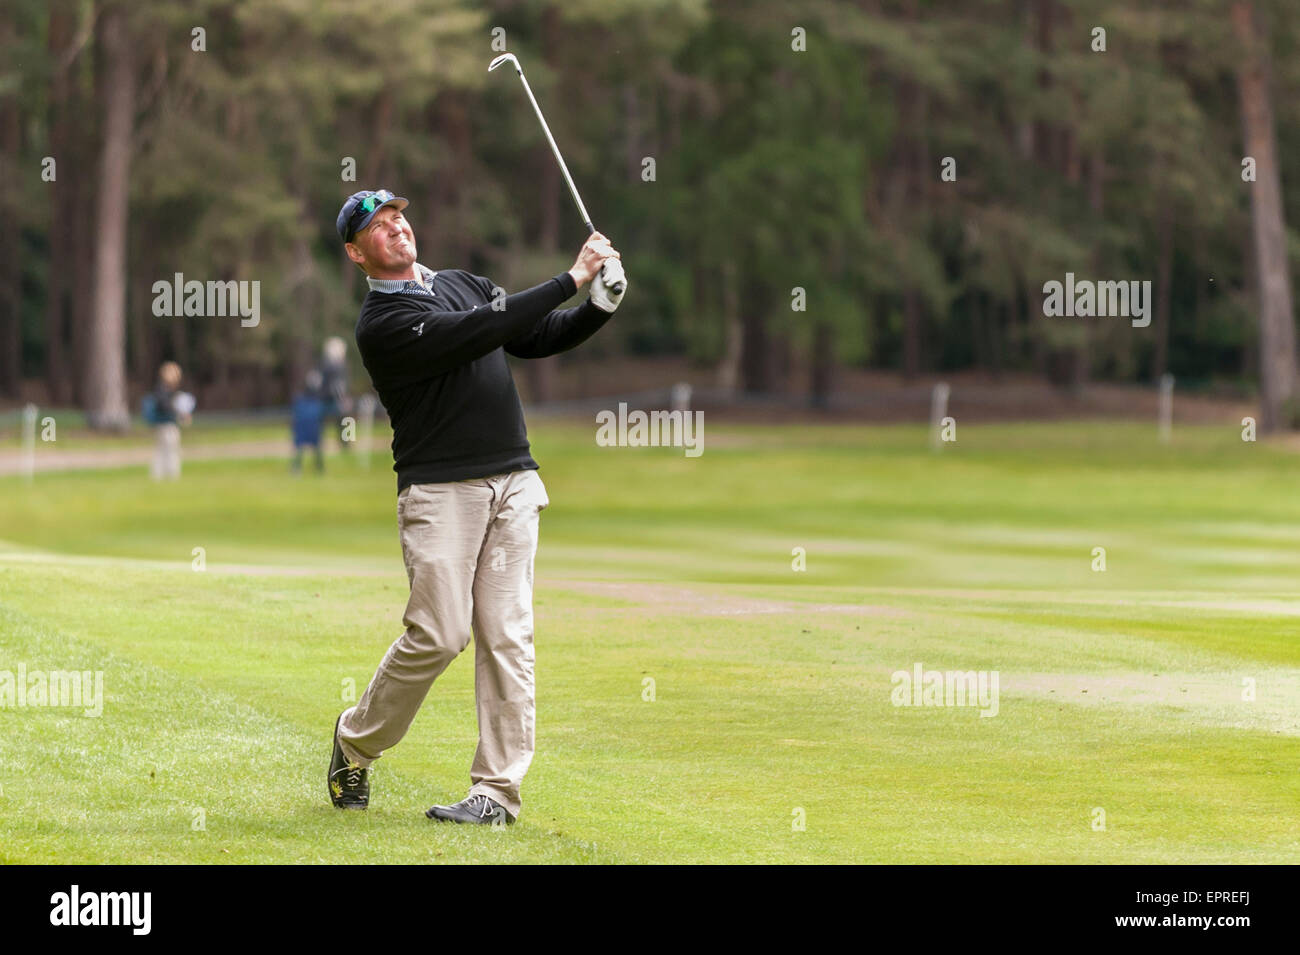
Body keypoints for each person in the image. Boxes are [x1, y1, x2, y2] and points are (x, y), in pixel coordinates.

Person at [327, 188, 626, 825]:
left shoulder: (463, 281)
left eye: (398, 217)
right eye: (377, 228)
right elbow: (478, 332)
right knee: (439, 634)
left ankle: (495, 792)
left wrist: (599, 303)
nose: (396, 228)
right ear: (357, 254)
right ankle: (355, 741)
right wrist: (570, 277)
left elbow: (534, 334)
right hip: (440, 491)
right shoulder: (381, 325)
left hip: (514, 480)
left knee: (507, 637)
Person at [144, 361, 192, 480]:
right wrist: (177, 410)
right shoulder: (163, 390)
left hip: (167, 424)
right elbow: (164, 406)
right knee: (168, 450)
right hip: (166, 425)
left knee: (164, 450)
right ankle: (168, 474)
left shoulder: (169, 391)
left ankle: (162, 474)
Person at [318, 337, 353, 452]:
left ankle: (320, 442)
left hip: (325, 398)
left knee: (341, 419)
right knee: (345, 417)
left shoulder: (325, 364)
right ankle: (345, 443)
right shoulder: (336, 366)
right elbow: (337, 385)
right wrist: (343, 399)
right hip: (331, 399)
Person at [290, 369, 326, 474]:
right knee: (305, 448)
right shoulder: (312, 399)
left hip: (309, 426)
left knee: (312, 448)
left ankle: (318, 468)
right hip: (308, 425)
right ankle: (317, 469)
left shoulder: (306, 398)